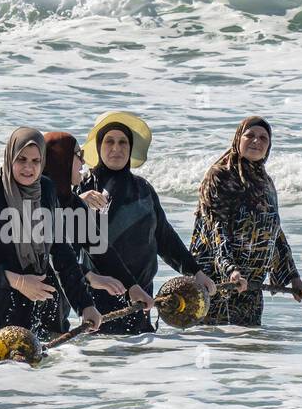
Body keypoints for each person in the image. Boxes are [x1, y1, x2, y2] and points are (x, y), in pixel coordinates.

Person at [0, 128, 103, 353]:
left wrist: (85, 305)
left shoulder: (46, 190)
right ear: (9, 157)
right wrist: (18, 281)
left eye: (35, 160)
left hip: (30, 301)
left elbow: (60, 251)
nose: (28, 167)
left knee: (27, 370)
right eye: (21, 159)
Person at [77, 111, 216, 334]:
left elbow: (164, 237)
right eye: (109, 141)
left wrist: (195, 271)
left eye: (123, 142)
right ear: (99, 146)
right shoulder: (82, 189)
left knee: (141, 364)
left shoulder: (143, 189)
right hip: (97, 301)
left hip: (142, 299)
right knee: (101, 365)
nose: (116, 148)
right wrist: (77, 202)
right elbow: (63, 246)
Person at [191, 116, 302, 326]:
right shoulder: (220, 176)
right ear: (238, 139)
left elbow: (275, 234)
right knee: (216, 346)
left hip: (251, 287)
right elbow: (215, 230)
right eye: (250, 135)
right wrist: (231, 270)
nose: (257, 141)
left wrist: (294, 278)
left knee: (250, 351)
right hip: (217, 284)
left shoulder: (265, 182)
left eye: (263, 138)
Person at [41, 131, 127, 332]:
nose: (84, 161)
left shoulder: (73, 203)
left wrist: (133, 288)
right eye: (78, 155)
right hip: (26, 311)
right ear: (59, 160)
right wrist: (90, 276)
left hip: (58, 315)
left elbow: (100, 249)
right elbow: (46, 258)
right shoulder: (37, 202)